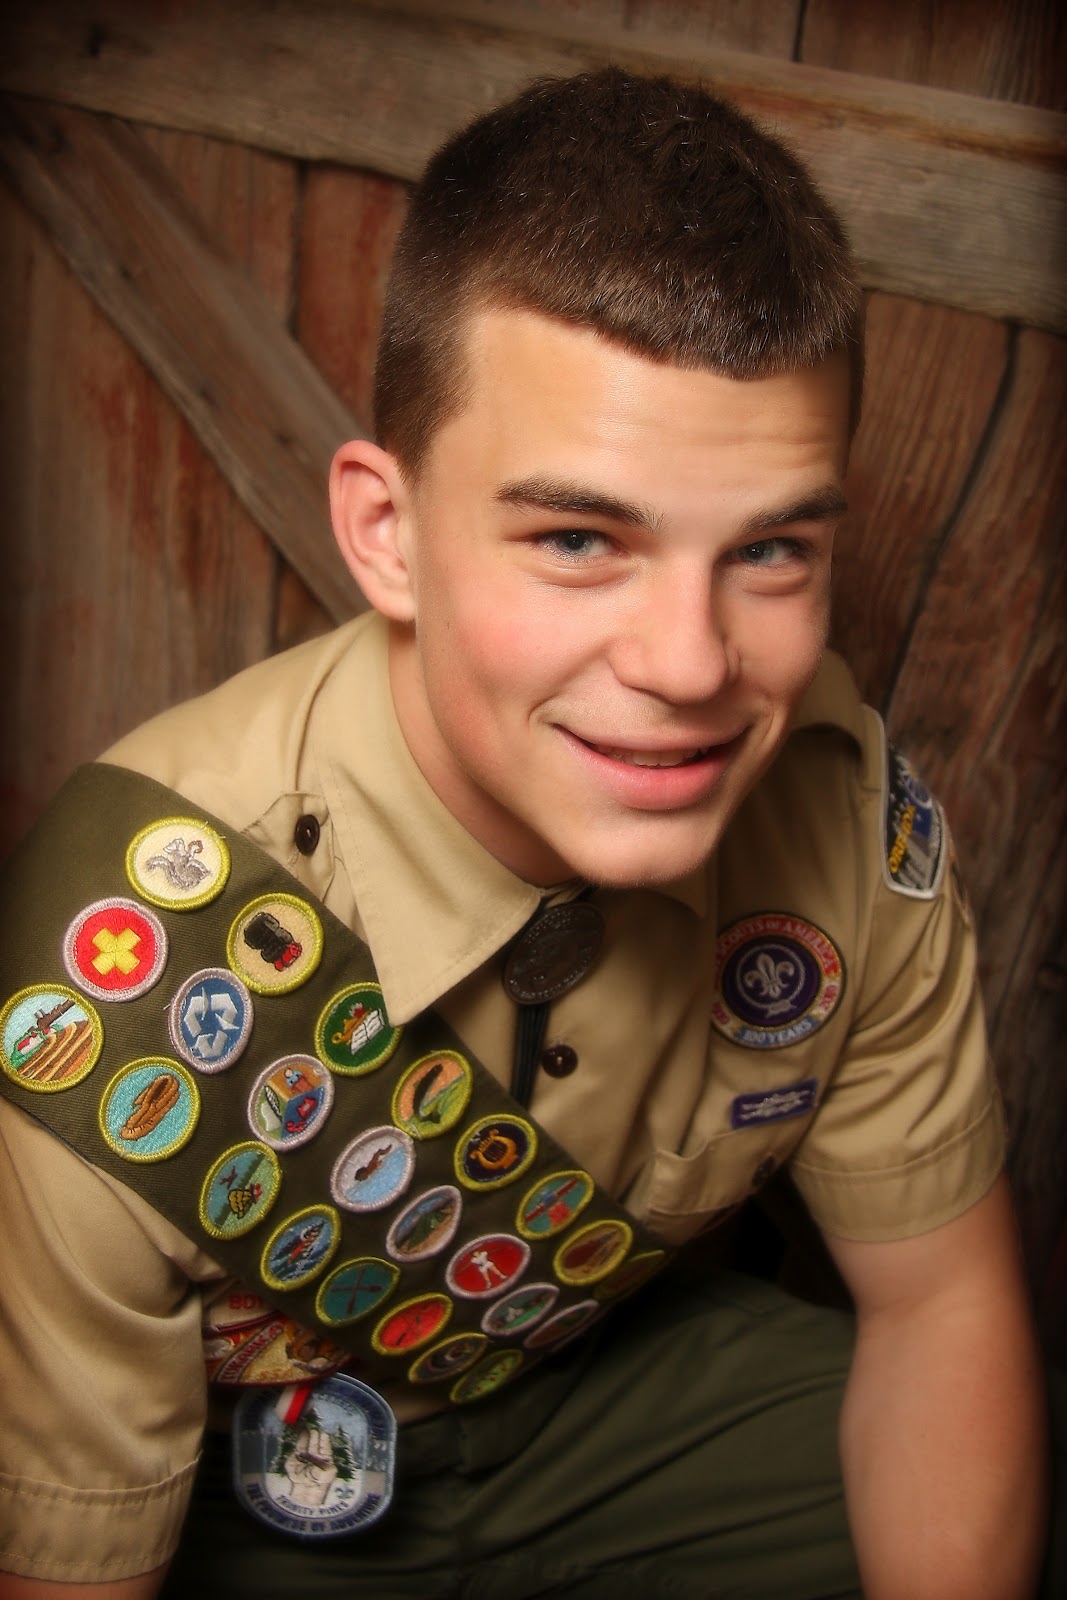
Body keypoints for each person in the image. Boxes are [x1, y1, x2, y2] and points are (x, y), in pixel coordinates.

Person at [0, 67, 1053, 1600]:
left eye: (767, 551)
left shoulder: (833, 808)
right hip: (233, 1468)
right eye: (579, 539)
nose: (691, 666)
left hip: (602, 1392)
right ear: (388, 534)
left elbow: (941, 1307)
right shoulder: (115, 960)